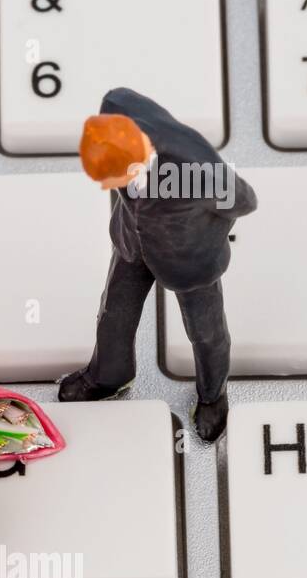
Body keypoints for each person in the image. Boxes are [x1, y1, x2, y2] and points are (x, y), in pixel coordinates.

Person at [59, 88, 257, 441]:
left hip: (191, 260)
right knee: (113, 315)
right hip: (133, 244)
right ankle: (109, 376)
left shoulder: (198, 170)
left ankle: (212, 396)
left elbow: (243, 200)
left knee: (205, 333)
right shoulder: (116, 109)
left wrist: (206, 236)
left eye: (111, 179)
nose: (105, 186)